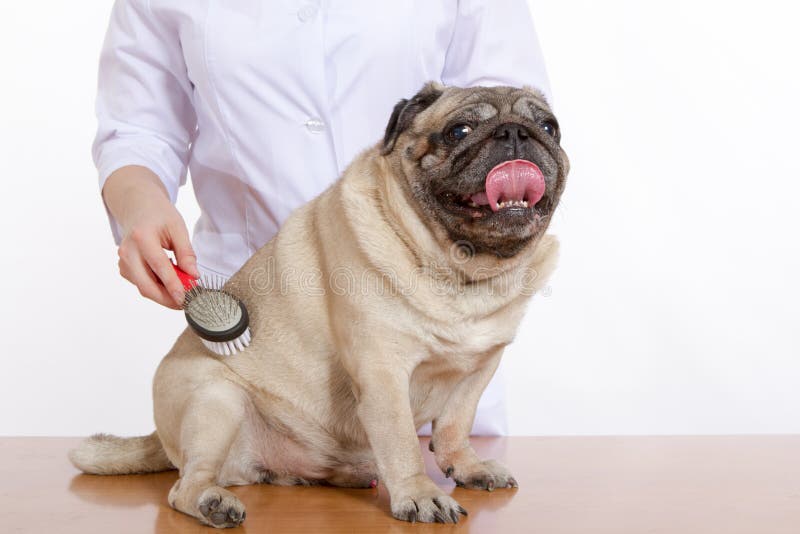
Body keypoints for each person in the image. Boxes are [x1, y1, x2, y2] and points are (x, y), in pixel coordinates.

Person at [94, 0, 552, 435]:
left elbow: (511, 114)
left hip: (440, 346)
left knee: (433, 476)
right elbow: (137, 130)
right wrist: (141, 207)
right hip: (262, 349)